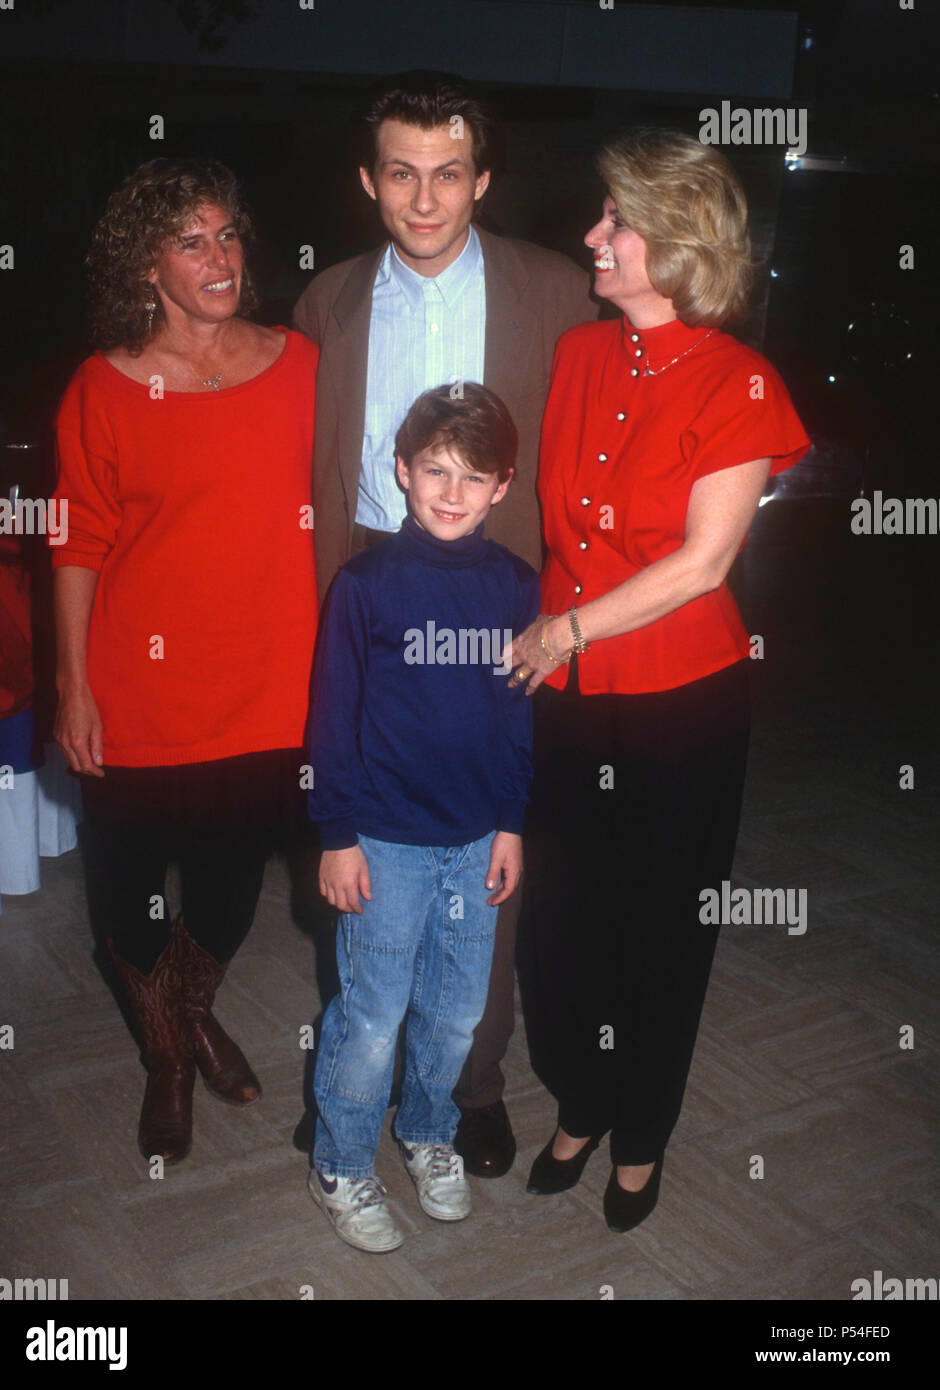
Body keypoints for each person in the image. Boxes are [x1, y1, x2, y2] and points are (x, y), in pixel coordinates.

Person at [293, 71, 596, 1177]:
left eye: (449, 174)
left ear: (483, 179)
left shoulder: (556, 290)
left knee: (481, 841)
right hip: (373, 574)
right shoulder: (325, 300)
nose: (426, 199)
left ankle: (469, 1085)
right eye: (403, 174)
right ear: (370, 181)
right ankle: (352, 1078)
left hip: (494, 590)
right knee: (365, 854)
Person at [508, 128, 811, 1232]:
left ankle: (639, 1136)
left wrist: (565, 627)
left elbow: (703, 564)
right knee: (561, 926)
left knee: (660, 930)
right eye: (601, 216)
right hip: (569, 704)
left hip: (681, 706)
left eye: (616, 223)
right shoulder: (580, 355)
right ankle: (579, 1100)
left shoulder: (740, 381)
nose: (594, 236)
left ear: (677, 244)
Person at [50, 157, 319, 1164]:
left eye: (228, 235)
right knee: (124, 900)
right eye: (191, 241)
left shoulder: (300, 361)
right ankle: (172, 1054)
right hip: (138, 685)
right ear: (146, 266)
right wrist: (75, 684)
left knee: (228, 892)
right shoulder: (105, 383)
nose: (219, 257)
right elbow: (75, 539)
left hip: (268, 688)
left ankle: (184, 1015)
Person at [305, 383, 539, 1252]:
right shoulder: (366, 584)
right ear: (400, 471)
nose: (450, 491)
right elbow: (330, 717)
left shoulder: (517, 586)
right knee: (373, 1015)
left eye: (472, 477)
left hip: (476, 840)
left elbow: (518, 711)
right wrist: (336, 833)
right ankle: (339, 1160)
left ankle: (428, 1132)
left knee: (454, 1012)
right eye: (434, 470)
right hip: (383, 841)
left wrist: (511, 821)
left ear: (503, 486)